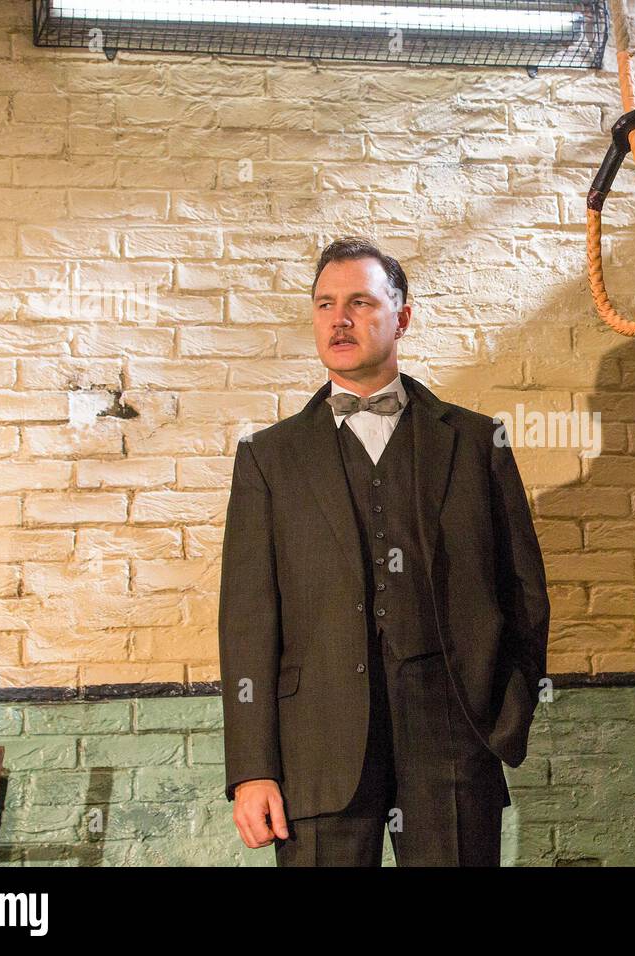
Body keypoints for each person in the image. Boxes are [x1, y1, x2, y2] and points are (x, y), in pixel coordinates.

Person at [217, 237, 549, 866]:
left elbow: (524, 594)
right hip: (315, 749)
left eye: (360, 302)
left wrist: (503, 719)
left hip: (454, 742)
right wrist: (252, 769)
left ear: (402, 316)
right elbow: (247, 624)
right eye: (324, 304)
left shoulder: (478, 444)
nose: (339, 318)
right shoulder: (268, 458)